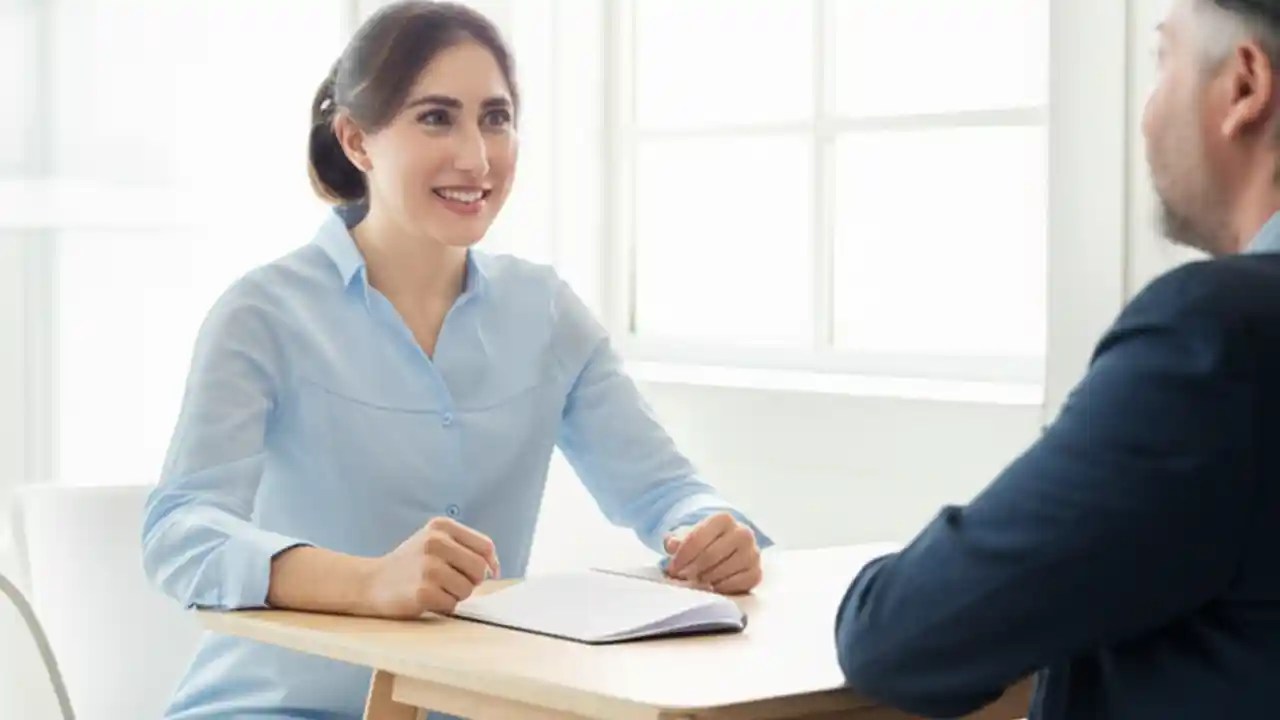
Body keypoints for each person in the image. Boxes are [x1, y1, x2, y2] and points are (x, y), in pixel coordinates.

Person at [140, 3, 770, 718]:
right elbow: (181, 532)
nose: (476, 157)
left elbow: (668, 493)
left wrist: (712, 532)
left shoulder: (545, 313)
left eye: (495, 119)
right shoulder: (264, 314)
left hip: (477, 705)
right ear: (357, 140)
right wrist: (371, 582)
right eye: (436, 118)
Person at [834, 1, 1280, 718]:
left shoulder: (1215, 340)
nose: (1147, 112)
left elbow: (901, 639)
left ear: (1245, 86)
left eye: (1164, 59)